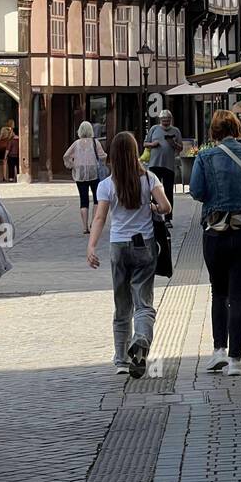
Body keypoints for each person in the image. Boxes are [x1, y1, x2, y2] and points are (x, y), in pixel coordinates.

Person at [190, 109, 241, 375]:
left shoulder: (204, 157)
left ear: (214, 131)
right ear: (237, 128)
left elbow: (197, 191)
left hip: (215, 232)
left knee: (219, 292)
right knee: (239, 297)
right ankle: (236, 360)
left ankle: (218, 352)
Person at [87, 130, 170, 378]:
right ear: (135, 153)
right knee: (143, 303)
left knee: (121, 305)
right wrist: (153, 207)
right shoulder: (149, 179)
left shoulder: (106, 185)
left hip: (118, 247)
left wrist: (91, 246)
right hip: (144, 245)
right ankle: (141, 339)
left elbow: (100, 217)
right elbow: (166, 207)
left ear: (112, 155)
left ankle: (121, 360)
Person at [63, 121, 107, 233]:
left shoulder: (76, 144)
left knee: (83, 199)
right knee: (97, 199)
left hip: (80, 174)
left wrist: (72, 166)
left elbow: (66, 156)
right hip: (94, 173)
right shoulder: (95, 142)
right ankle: (93, 222)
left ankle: (84, 227)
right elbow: (103, 156)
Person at [143, 109, 183, 215]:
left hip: (169, 165)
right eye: (164, 120)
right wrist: (153, 144)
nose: (166, 122)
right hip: (154, 164)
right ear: (160, 119)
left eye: (168, 120)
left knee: (168, 191)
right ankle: (154, 215)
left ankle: (168, 217)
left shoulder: (176, 131)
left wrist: (173, 143)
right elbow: (145, 143)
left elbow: (180, 148)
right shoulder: (154, 129)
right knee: (154, 191)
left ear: (171, 120)